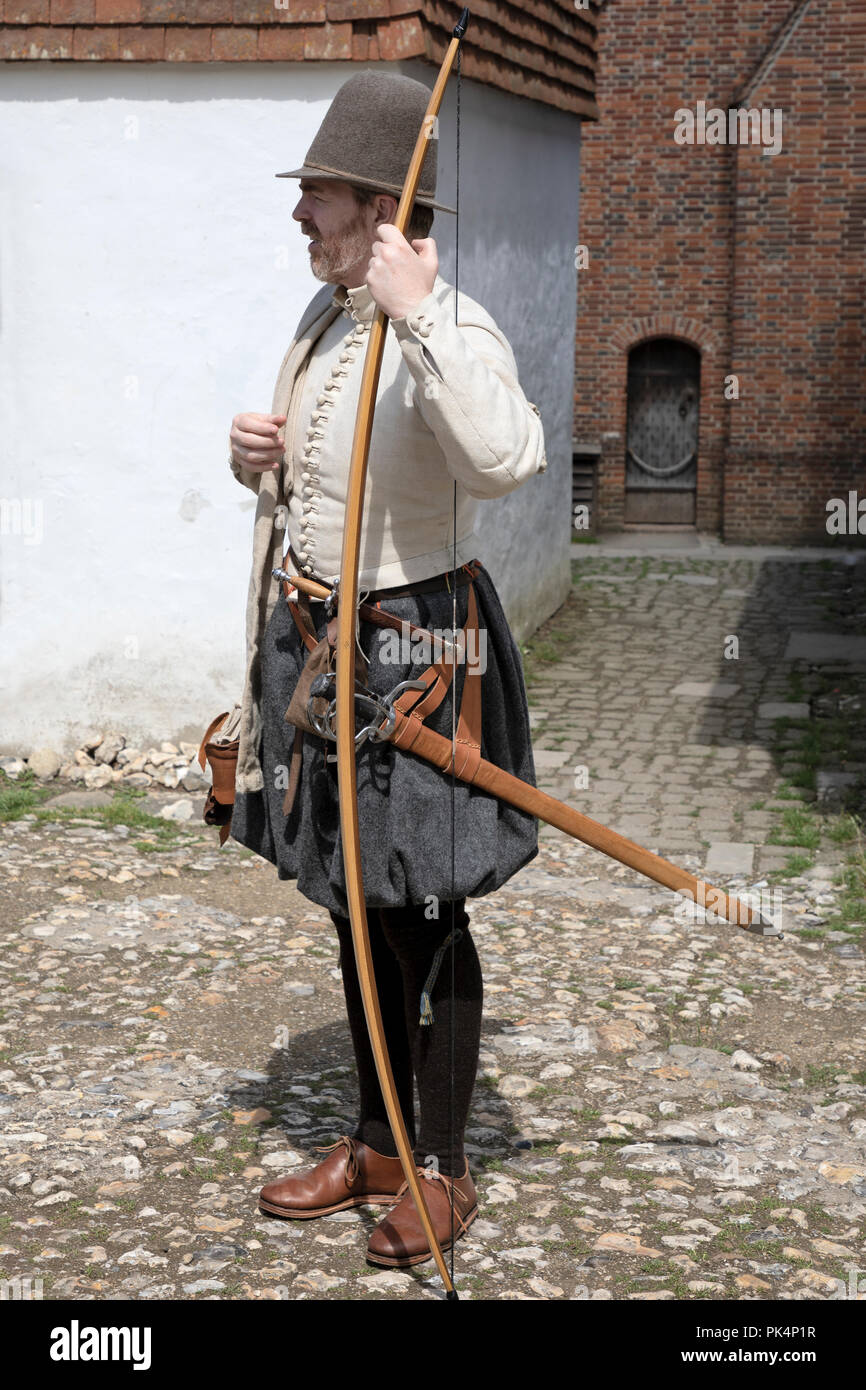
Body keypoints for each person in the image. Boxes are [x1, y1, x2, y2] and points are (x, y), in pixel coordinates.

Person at [226, 70, 546, 1268]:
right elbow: (317, 486)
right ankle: (372, 1141)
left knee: (426, 903)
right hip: (321, 649)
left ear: (374, 204)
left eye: (316, 197)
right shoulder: (323, 321)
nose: (299, 218)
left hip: (420, 652)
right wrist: (255, 458)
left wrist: (417, 319)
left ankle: (445, 1168)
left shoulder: (445, 323)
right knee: (353, 901)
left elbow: (504, 455)